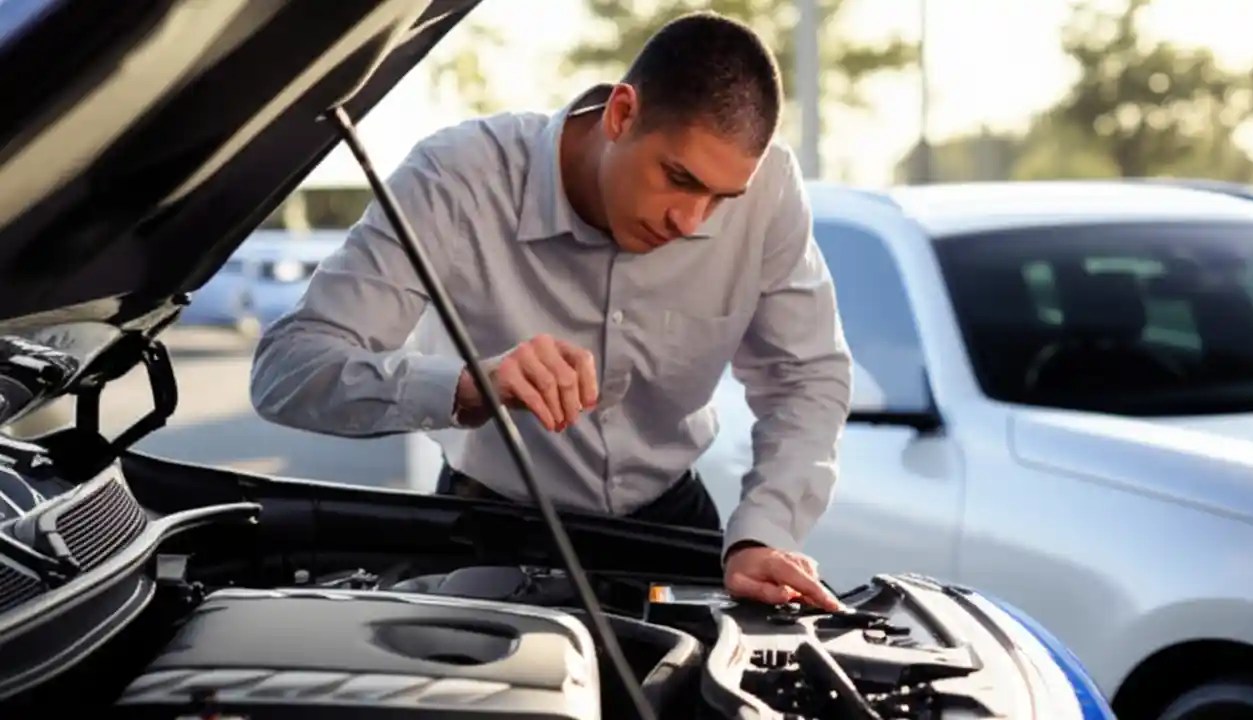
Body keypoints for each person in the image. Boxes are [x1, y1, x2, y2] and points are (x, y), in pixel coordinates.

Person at [249, 11, 852, 611]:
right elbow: (286, 369)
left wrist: (764, 530)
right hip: (489, 533)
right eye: (678, 179)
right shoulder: (457, 180)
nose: (691, 222)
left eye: (722, 199)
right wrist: (464, 386)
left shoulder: (770, 188)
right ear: (622, 114)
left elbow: (807, 377)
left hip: (673, 525)